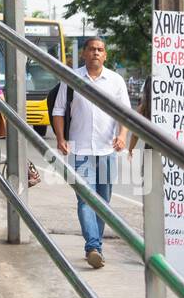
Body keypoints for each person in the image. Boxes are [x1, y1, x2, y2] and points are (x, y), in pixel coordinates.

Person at [51, 37, 131, 269]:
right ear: (84, 53)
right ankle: (93, 247)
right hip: (81, 150)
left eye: (100, 50)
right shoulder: (72, 79)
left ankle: (97, 247)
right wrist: (60, 138)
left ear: (105, 55)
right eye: (92, 49)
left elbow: (124, 113)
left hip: (107, 150)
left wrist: (123, 135)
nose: (96, 53)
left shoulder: (115, 81)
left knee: (103, 202)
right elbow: (58, 110)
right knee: (85, 200)